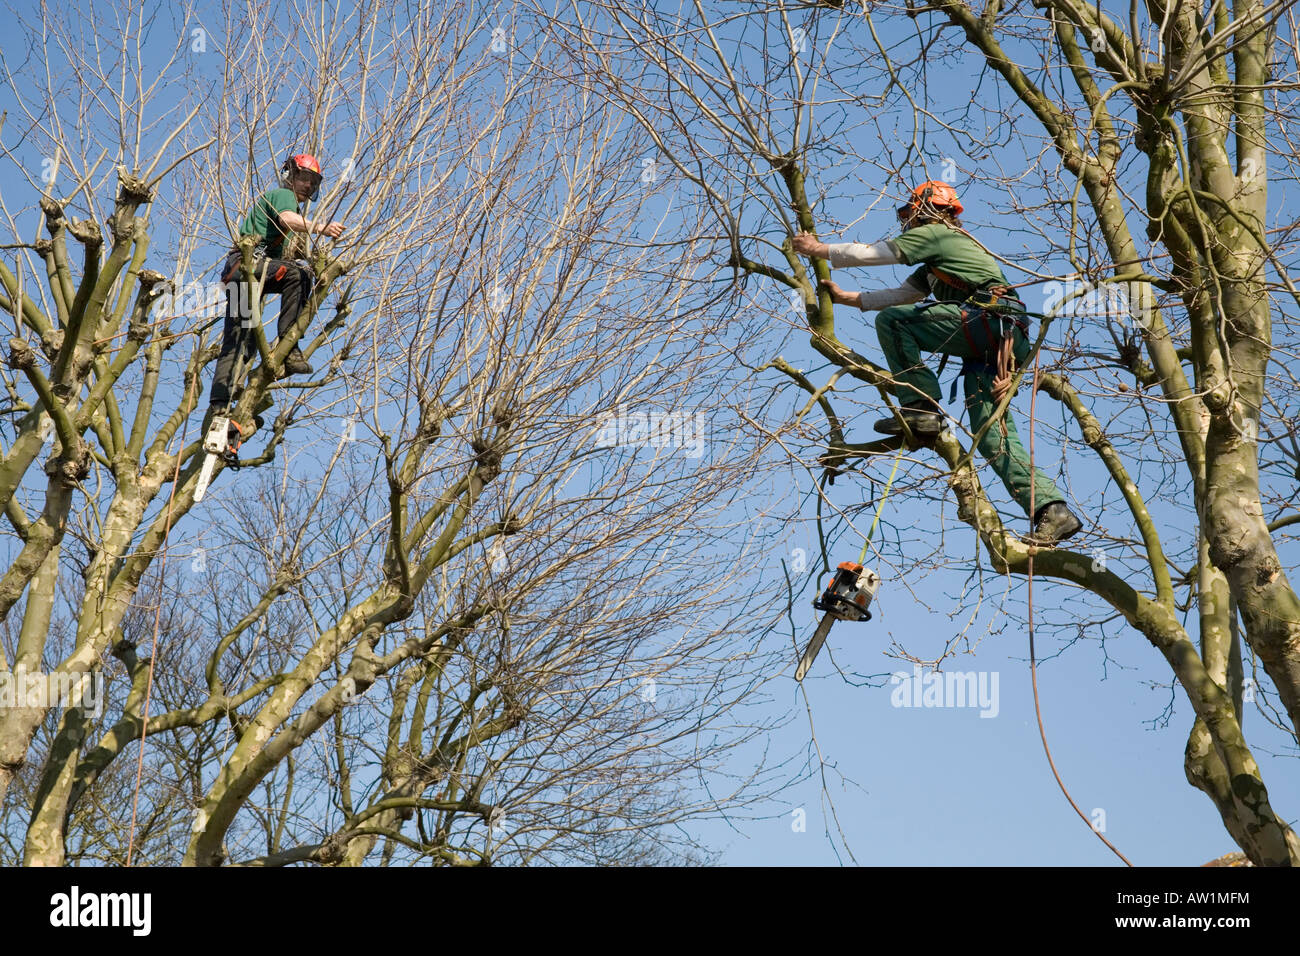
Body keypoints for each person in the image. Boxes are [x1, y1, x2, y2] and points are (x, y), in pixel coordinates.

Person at [791, 181, 1083, 544]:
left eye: (912, 211)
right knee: (993, 438)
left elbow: (877, 253)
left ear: (928, 208)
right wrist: (847, 298)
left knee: (894, 321)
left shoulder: (938, 233)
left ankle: (921, 407)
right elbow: (906, 294)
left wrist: (817, 248)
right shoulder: (938, 261)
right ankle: (1053, 511)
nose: (909, 220)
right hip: (996, 345)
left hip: (988, 322)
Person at [207, 153, 345, 414]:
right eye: (304, 178)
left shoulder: (284, 223)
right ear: (290, 176)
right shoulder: (284, 197)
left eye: (313, 183)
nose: (308, 186)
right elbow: (287, 219)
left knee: (240, 338)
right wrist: (322, 227)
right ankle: (289, 345)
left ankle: (219, 403)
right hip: (247, 265)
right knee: (300, 275)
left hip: (239, 274)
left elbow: (286, 251)